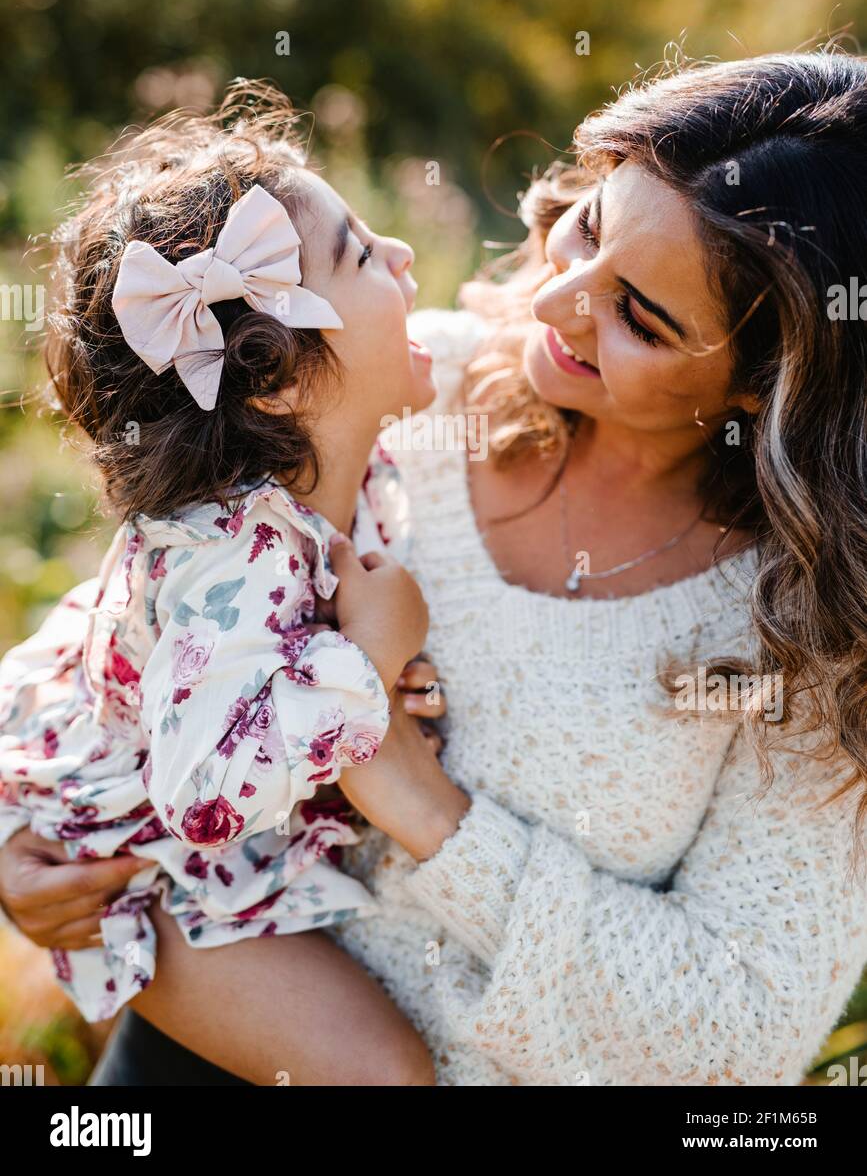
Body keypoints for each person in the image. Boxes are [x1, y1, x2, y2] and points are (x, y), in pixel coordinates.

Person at [4, 52, 867, 1085]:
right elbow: (145, 614)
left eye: (640, 314)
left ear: (772, 389)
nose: (554, 301)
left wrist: (416, 797)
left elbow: (741, 1032)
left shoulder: (811, 628)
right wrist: (20, 840)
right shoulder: (394, 382)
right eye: (588, 226)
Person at [0, 83, 457, 1085]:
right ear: (282, 380)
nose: (409, 258)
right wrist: (369, 658)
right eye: (368, 254)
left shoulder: (341, 478)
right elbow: (205, 793)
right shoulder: (231, 548)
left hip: (202, 853)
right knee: (385, 1074)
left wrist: (377, 673)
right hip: (148, 865)